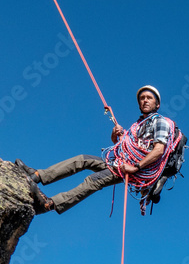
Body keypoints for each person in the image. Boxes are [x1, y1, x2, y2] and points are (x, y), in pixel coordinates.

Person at [18, 85, 176, 214]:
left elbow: (159, 150)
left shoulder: (160, 122)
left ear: (157, 104)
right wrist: (115, 137)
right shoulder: (138, 125)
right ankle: (37, 175)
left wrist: (135, 167)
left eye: (149, 98)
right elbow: (123, 146)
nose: (145, 101)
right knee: (83, 159)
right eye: (142, 98)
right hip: (121, 163)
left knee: (93, 180)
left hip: (132, 169)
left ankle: (49, 204)